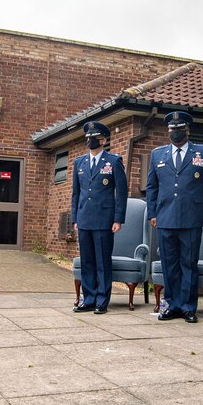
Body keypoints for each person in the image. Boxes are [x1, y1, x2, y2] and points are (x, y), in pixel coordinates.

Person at [145, 111, 203, 324]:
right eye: (172, 129)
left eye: (179, 129)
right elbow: (152, 187)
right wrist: (152, 213)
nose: (175, 132)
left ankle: (188, 307)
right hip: (165, 216)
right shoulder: (158, 154)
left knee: (189, 263)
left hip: (192, 217)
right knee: (169, 264)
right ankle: (172, 305)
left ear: (187, 130)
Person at [70, 121, 128, 315]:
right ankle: (88, 299)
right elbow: (76, 193)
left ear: (103, 140)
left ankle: (102, 300)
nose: (90, 141)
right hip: (84, 218)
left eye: (94, 138)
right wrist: (75, 218)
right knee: (87, 261)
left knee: (102, 261)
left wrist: (118, 219)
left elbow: (121, 192)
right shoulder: (79, 162)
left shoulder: (113, 161)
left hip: (104, 219)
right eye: (88, 138)